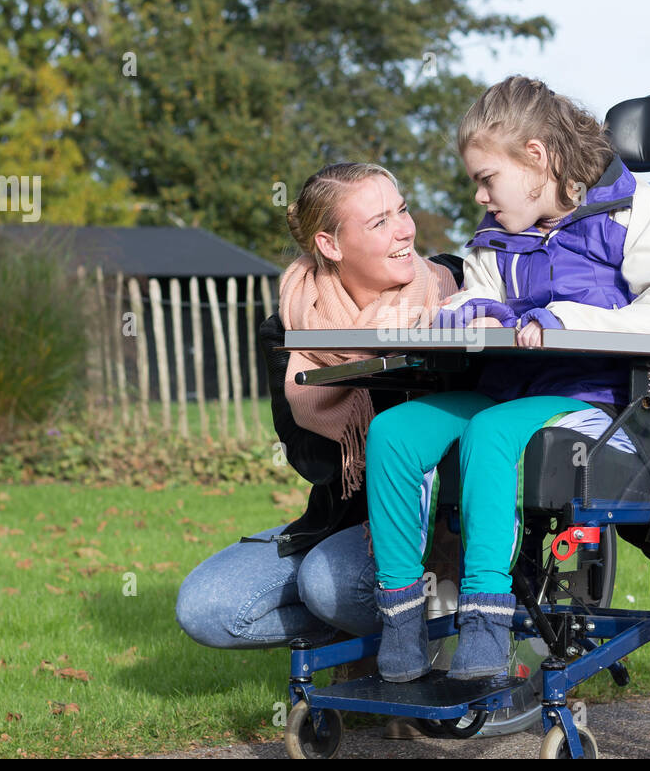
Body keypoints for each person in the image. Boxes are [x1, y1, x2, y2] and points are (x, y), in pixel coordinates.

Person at [364, 75, 650, 682]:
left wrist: (565, 319)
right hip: (507, 391)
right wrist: (466, 312)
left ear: (536, 158)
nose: (480, 198)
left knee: (492, 432)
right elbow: (484, 296)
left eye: (486, 179)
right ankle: (400, 623)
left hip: (597, 405)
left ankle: (486, 622)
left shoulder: (633, 213)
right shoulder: (498, 239)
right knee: (393, 431)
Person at [175, 162, 461, 654]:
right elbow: (312, 459)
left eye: (403, 210)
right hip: (349, 519)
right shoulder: (292, 326)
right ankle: (374, 636)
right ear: (330, 245)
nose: (404, 230)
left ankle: (445, 627)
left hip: (449, 518)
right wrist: (358, 365)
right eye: (379, 222)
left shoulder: (452, 291)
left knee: (327, 585)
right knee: (208, 608)